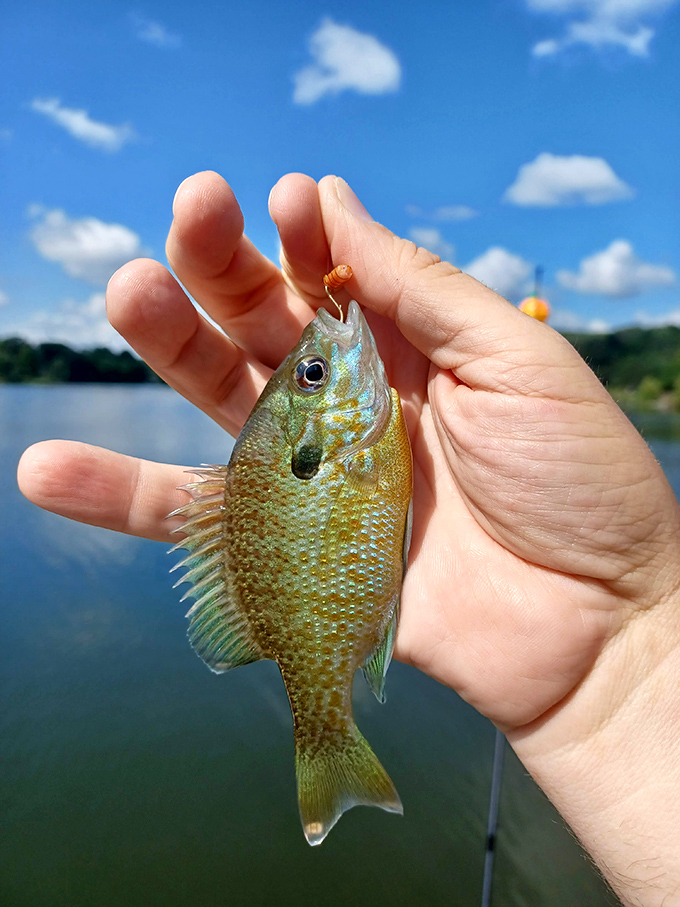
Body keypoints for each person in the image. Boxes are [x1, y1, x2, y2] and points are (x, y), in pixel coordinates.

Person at [18, 172, 680, 906]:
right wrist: (633, 648)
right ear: (312, 439)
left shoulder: (360, 441)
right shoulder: (361, 441)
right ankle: (326, 743)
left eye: (308, 372)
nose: (322, 359)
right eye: (315, 373)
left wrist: (630, 645)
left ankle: (329, 749)